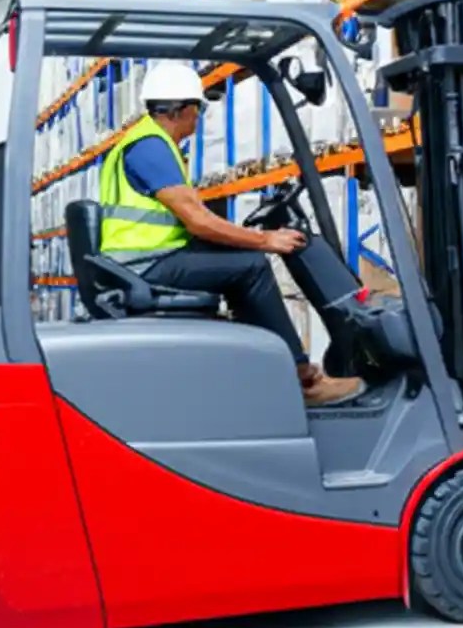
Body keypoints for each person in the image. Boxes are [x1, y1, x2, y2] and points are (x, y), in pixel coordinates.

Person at [99, 61, 362, 407]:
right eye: (199, 108)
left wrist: (244, 236)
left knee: (239, 260)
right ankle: (303, 380)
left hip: (144, 260)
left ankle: (262, 367)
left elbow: (190, 220)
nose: (199, 117)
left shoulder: (148, 142)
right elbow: (198, 221)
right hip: (145, 265)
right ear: (183, 109)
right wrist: (266, 240)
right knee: (252, 267)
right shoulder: (150, 147)